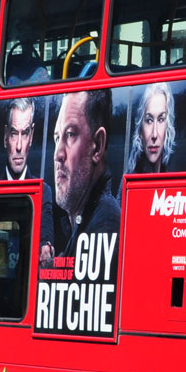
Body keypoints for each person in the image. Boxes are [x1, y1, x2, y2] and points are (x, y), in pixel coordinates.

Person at [39, 89, 119, 266]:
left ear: (97, 146)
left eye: (70, 134)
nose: (57, 155)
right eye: (57, 138)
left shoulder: (105, 223)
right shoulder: (82, 219)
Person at [126, 82, 175, 175]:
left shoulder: (169, 175)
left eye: (161, 119)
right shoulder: (132, 180)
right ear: (140, 130)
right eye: (149, 120)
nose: (154, 135)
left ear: (168, 128)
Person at [2, 98, 37, 181]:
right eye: (14, 134)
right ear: (6, 137)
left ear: (31, 136)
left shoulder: (43, 189)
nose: (19, 147)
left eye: (25, 134)